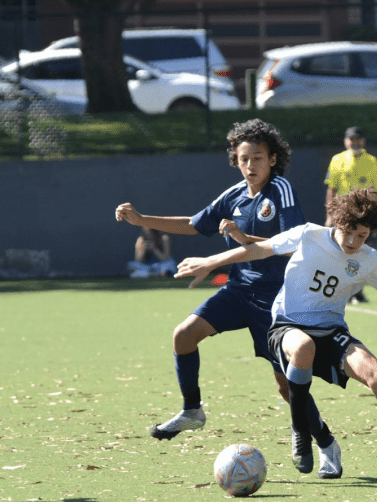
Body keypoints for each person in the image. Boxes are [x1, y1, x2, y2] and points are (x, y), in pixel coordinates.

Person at [174, 185, 377, 485]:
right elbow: (259, 249)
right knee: (304, 347)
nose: (353, 241)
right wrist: (210, 262)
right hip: (287, 327)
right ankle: (300, 433)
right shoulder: (309, 234)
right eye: (350, 231)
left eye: (362, 236)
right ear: (339, 222)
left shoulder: (369, 261)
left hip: (331, 332)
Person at [114, 119, 338, 475]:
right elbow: (194, 224)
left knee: (286, 386)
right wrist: (141, 219)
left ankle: (325, 442)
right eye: (244, 159)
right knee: (183, 335)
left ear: (273, 159)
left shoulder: (281, 191)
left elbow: (292, 243)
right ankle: (192, 411)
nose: (250, 166)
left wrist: (242, 236)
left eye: (258, 158)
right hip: (238, 291)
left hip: (276, 300)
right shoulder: (233, 195)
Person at [324, 126, 377, 304]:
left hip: (365, 216)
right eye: (352, 139)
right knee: (342, 254)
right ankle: (342, 291)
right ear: (346, 142)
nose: (355, 143)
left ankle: (356, 291)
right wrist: (330, 215)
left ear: (363, 141)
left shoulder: (371, 161)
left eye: (358, 139)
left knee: (360, 254)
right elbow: (332, 189)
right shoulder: (337, 160)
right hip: (344, 216)